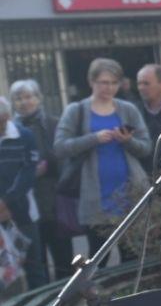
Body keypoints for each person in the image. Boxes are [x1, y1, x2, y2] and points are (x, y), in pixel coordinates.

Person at [54, 58, 151, 260]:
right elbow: (60, 147)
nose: (109, 88)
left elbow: (146, 148)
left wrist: (127, 141)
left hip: (129, 194)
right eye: (104, 82)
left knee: (133, 255)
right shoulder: (77, 110)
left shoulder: (128, 109)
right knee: (98, 258)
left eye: (114, 83)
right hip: (95, 197)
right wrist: (93, 139)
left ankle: (131, 292)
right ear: (92, 81)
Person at [10, 80, 72, 282]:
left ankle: (67, 300)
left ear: (38, 98)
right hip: (27, 205)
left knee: (63, 257)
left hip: (55, 200)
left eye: (28, 97)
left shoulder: (54, 123)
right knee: (36, 262)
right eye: (18, 98)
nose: (24, 102)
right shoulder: (10, 129)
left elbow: (66, 155)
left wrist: (48, 166)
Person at [0, 97, 43, 290]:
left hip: (23, 213)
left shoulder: (25, 136)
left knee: (34, 267)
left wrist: (6, 202)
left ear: (7, 116)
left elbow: (28, 174)